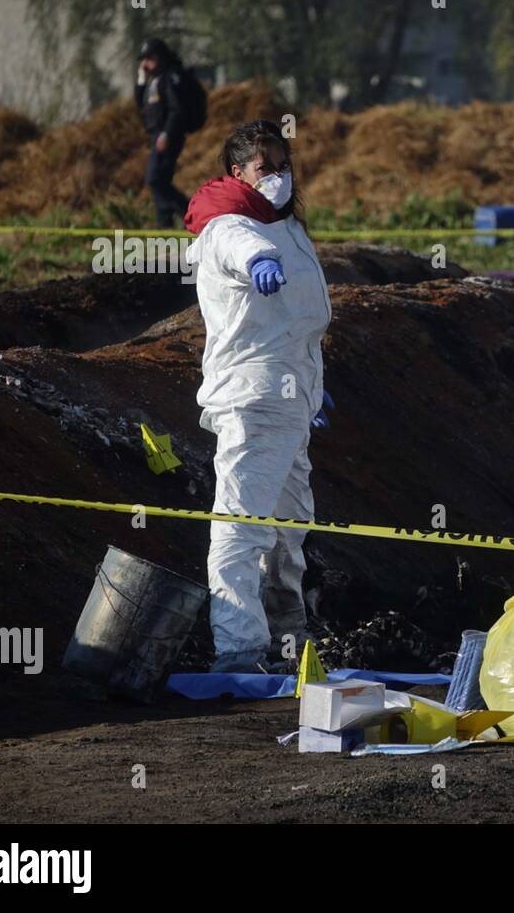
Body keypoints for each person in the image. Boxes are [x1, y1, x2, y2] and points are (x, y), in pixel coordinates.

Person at [184, 120, 334, 673]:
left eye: (283, 165)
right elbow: (237, 247)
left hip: (292, 395)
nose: (278, 177)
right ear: (238, 173)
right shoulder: (229, 224)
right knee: (241, 524)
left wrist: (312, 383)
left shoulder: (286, 226)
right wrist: (257, 261)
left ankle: (287, 637)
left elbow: (294, 320)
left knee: (289, 528)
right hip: (254, 396)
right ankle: (239, 648)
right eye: (264, 168)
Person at [135, 38, 191, 228]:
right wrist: (141, 81)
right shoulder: (154, 80)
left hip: (168, 136)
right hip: (157, 135)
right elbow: (141, 105)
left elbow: (177, 109)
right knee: (159, 181)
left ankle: (188, 212)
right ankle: (164, 222)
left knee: (155, 178)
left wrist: (166, 133)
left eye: (149, 58)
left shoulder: (170, 77)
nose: (145, 64)